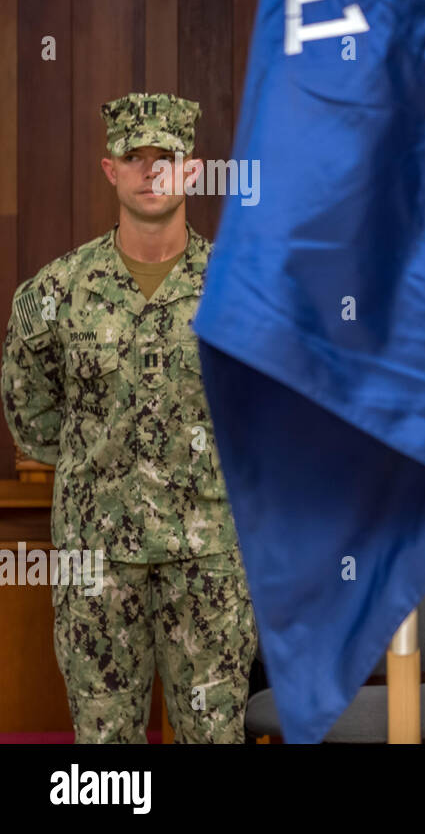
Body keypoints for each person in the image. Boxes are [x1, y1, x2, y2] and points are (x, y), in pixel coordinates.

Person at [2, 92, 255, 743]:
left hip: (209, 562)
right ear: (110, 170)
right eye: (133, 157)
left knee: (214, 737)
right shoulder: (56, 292)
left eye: (164, 157)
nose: (151, 171)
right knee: (106, 753)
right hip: (96, 565)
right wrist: (96, 468)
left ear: (191, 170)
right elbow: (28, 413)